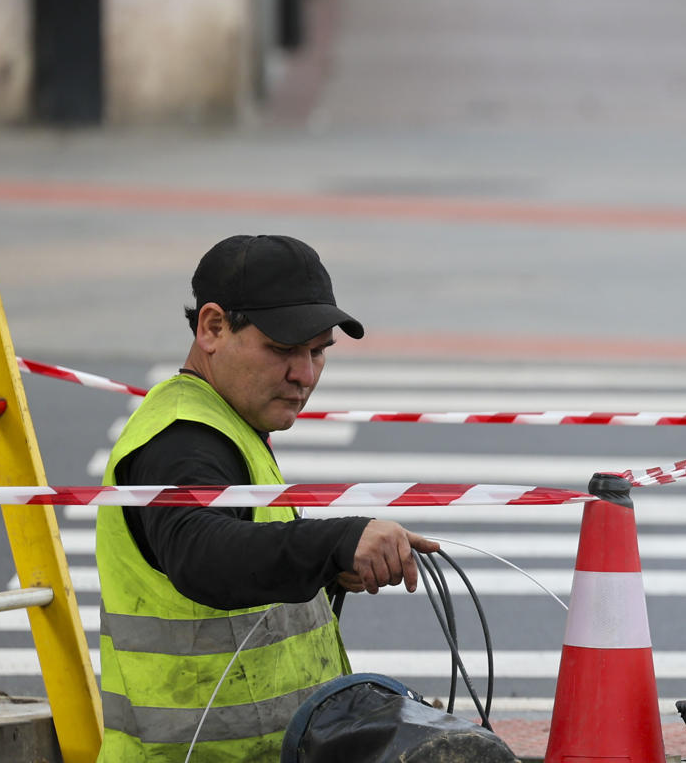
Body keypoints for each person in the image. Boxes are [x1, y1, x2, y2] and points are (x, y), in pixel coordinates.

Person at [95, 235, 439, 762]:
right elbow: (202, 555)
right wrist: (335, 542)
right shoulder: (180, 441)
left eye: (318, 351)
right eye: (282, 349)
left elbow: (246, 550)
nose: (305, 375)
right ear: (212, 328)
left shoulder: (231, 421)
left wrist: (330, 567)